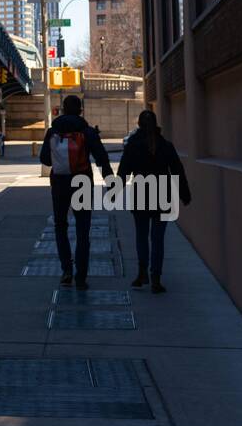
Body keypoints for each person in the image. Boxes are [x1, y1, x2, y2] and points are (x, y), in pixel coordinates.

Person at [40, 94, 113, 290]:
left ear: (63, 109)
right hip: (82, 182)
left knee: (60, 226)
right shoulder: (87, 131)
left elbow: (45, 159)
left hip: (60, 184)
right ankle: (81, 276)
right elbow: (101, 158)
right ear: (80, 110)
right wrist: (111, 182)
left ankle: (66, 271)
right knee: (82, 230)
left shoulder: (53, 131)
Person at [118, 109, 191, 294]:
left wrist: (114, 191)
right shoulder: (166, 145)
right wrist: (185, 194)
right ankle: (156, 278)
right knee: (157, 239)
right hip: (162, 196)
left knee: (141, 236)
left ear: (139, 125)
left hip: (140, 195)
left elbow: (124, 171)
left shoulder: (133, 145)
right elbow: (177, 171)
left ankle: (143, 273)